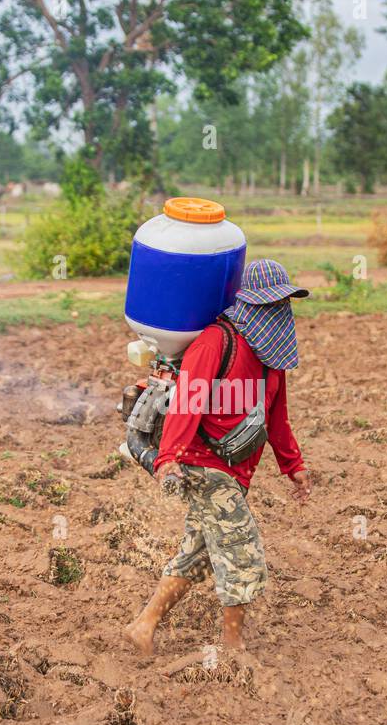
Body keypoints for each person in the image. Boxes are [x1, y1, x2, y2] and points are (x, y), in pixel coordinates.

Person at [123, 259, 311, 656]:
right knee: (242, 551)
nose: (277, 312)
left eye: (282, 304)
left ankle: (143, 625)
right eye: (268, 305)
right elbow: (187, 402)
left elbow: (276, 416)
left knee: (199, 551)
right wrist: (169, 455)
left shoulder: (271, 355)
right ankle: (232, 645)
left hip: (236, 468)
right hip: (200, 463)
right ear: (246, 304)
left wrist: (293, 465)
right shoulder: (214, 342)